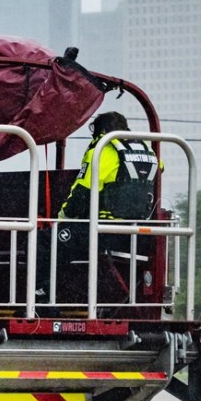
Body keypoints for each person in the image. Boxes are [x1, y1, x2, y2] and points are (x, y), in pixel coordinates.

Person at [38, 111, 160, 301]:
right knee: (65, 240)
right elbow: (159, 169)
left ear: (102, 130)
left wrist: (61, 219)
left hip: (105, 233)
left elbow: (81, 193)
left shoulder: (101, 151)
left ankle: (44, 295)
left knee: (45, 240)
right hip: (137, 236)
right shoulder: (148, 152)